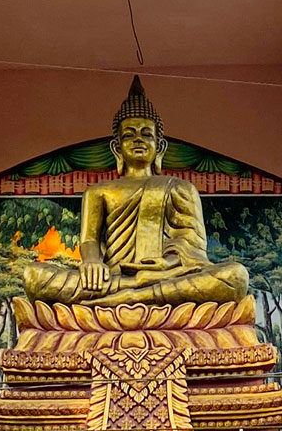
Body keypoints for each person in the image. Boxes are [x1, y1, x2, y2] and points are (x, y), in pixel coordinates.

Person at [19, 79, 248, 307]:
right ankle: (137, 292)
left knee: (235, 276)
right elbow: (89, 240)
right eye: (129, 134)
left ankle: (131, 296)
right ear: (117, 147)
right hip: (111, 279)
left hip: (164, 275)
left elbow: (193, 250)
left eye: (146, 134)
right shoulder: (99, 191)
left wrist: (164, 266)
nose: (138, 139)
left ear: (160, 146)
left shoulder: (180, 188)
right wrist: (91, 263)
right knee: (33, 276)